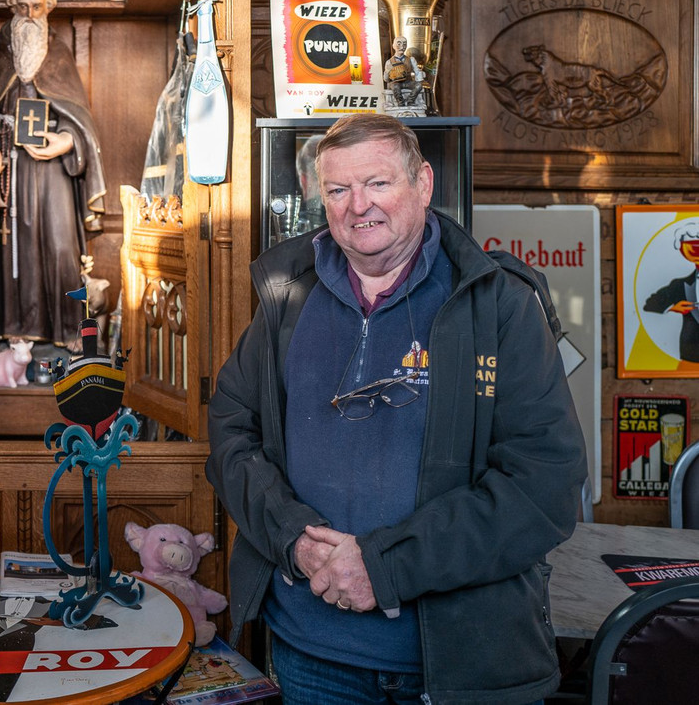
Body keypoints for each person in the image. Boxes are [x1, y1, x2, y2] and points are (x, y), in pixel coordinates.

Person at [206, 114, 586, 704]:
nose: (359, 206)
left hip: (460, 668)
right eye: (338, 190)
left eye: (378, 184)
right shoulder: (285, 296)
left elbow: (544, 489)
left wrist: (384, 567)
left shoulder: (498, 304)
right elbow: (232, 431)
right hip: (310, 656)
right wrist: (293, 539)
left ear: (424, 184)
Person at [0, 0, 106, 349]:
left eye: (36, 7)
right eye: (21, 6)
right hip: (8, 168)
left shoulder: (59, 54)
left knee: (61, 247)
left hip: (52, 167)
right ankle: (16, 333)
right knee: (13, 250)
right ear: (11, 5)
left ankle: (70, 332)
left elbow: (80, 119)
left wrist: (67, 141)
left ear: (49, 6)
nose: (28, 14)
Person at [642, 220, 699, 363]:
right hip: (691, 355)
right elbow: (649, 306)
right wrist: (672, 310)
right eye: (691, 244)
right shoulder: (679, 285)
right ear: (682, 250)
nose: (695, 248)